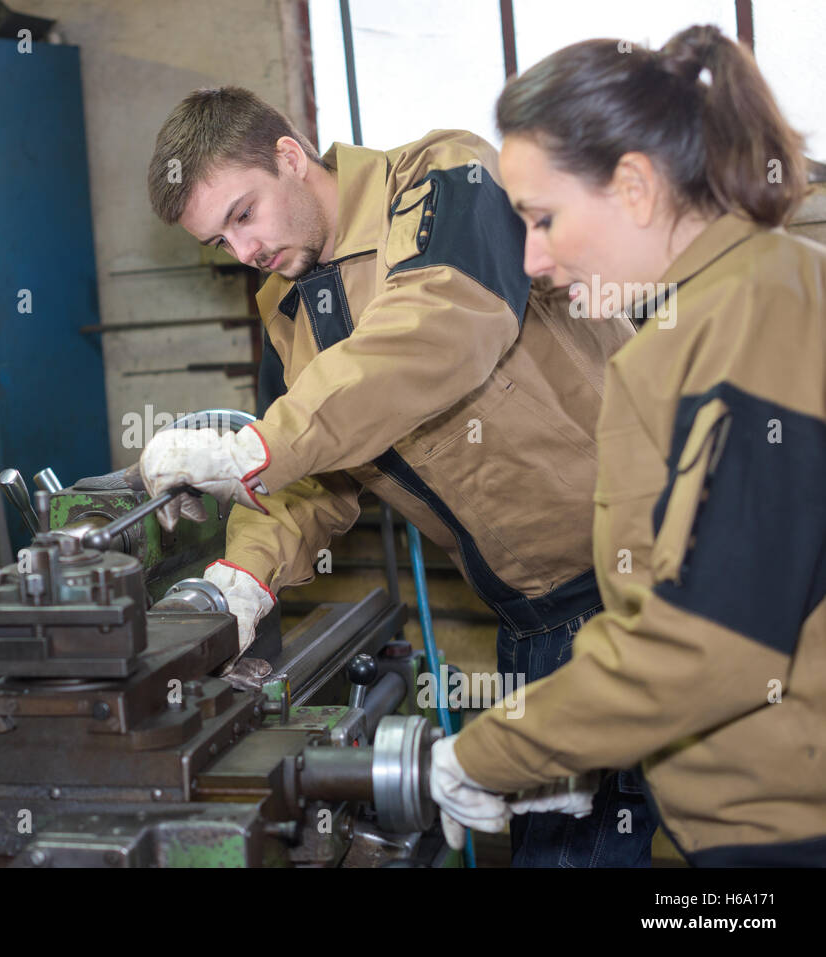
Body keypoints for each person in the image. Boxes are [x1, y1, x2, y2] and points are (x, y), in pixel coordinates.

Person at [141, 87, 656, 865]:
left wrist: (258, 446)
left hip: (663, 572)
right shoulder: (287, 308)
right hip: (543, 618)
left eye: (243, 214)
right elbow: (312, 478)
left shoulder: (444, 179)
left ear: (290, 155)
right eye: (220, 241)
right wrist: (236, 581)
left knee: (755, 831)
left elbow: (441, 330)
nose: (243, 252)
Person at [432, 24, 826, 866]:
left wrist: (498, 748)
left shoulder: (756, 313)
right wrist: (593, 735)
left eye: (543, 219)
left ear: (637, 186)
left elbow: (713, 639)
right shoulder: (698, 319)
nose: (532, 258)